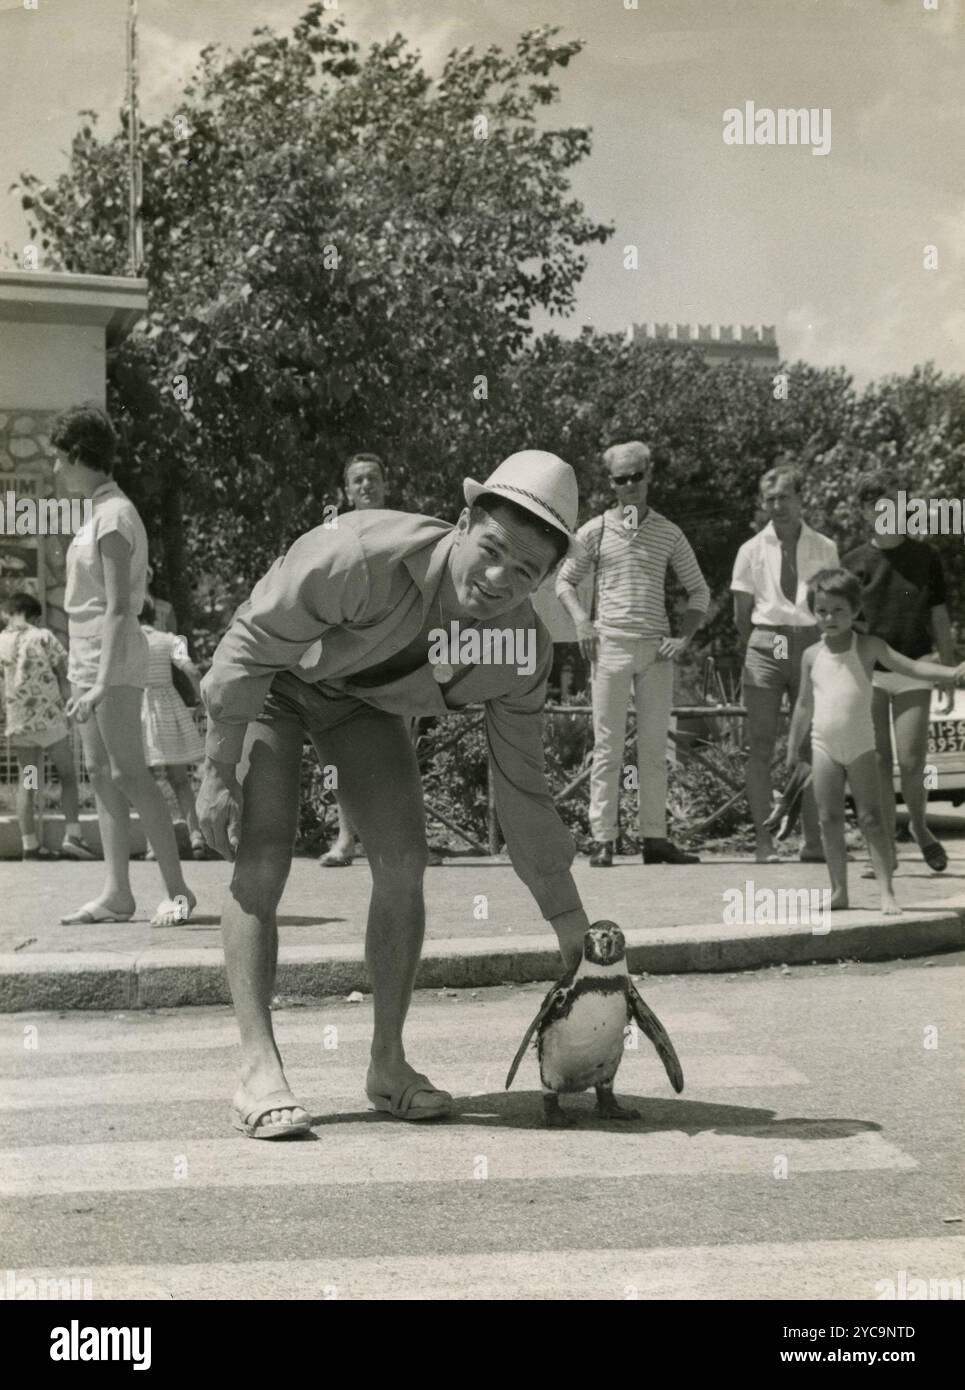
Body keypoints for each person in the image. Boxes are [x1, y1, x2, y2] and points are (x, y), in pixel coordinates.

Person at [198, 450, 598, 1138]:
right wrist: (216, 768)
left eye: (525, 572)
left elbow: (523, 791)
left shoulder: (520, 652)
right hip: (276, 683)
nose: (499, 580)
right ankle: (257, 1069)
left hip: (360, 704)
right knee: (264, 855)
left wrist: (570, 925)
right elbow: (249, 646)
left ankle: (388, 1064)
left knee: (404, 861)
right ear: (465, 521)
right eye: (493, 550)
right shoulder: (355, 554)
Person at [50, 403, 196, 926]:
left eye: (59, 460)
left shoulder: (113, 516)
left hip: (111, 658)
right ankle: (118, 894)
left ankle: (178, 890)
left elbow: (117, 608)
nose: (55, 470)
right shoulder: (98, 512)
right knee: (103, 775)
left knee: (130, 772)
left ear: (77, 455)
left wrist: (101, 682)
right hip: (88, 656)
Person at [554, 441, 710, 868]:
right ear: (611, 483)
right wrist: (582, 622)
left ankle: (654, 839)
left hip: (656, 652)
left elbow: (699, 590)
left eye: (636, 476)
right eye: (620, 479)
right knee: (607, 749)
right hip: (611, 647)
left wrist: (684, 637)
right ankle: (603, 838)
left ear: (648, 476)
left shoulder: (668, 532)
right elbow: (564, 583)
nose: (629, 486)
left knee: (655, 749)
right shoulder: (595, 530)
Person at [787, 568, 965, 916]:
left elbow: (911, 668)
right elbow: (804, 705)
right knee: (829, 818)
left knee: (872, 819)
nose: (829, 618)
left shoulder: (868, 646)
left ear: (855, 610)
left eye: (838, 610)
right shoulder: (811, 655)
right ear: (813, 612)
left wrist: (952, 672)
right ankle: (839, 891)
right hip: (824, 745)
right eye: (822, 610)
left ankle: (887, 892)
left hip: (861, 746)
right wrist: (794, 750)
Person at [844, 471, 959, 876]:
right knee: (878, 761)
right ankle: (885, 849)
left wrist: (945, 670)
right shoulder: (853, 563)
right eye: (878, 505)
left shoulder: (925, 557)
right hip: (870, 673)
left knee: (912, 761)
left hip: (914, 667)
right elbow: (843, 626)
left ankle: (921, 826)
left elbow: (939, 615)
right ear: (864, 511)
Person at [731, 462, 839, 863]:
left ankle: (813, 842)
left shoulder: (825, 547)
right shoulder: (750, 550)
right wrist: (769, 645)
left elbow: (832, 604)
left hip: (811, 644)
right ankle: (765, 843)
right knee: (759, 745)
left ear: (800, 498)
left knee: (811, 744)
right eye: (770, 499)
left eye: (785, 497)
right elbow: (741, 616)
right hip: (766, 643)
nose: (778, 506)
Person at [0, 592, 96, 861]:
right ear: (35, 616)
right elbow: (64, 672)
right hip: (50, 723)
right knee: (67, 775)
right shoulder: (44, 637)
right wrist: (70, 704)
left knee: (28, 782)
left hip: (21, 726)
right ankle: (73, 834)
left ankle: (30, 845)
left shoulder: (1, 641)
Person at [138, 598, 208, 861]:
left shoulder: (128, 639)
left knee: (146, 782)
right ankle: (196, 836)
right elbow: (191, 670)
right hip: (169, 708)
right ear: (155, 615)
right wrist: (202, 701)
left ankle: (154, 845)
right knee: (180, 779)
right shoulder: (172, 639)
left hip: (139, 710)